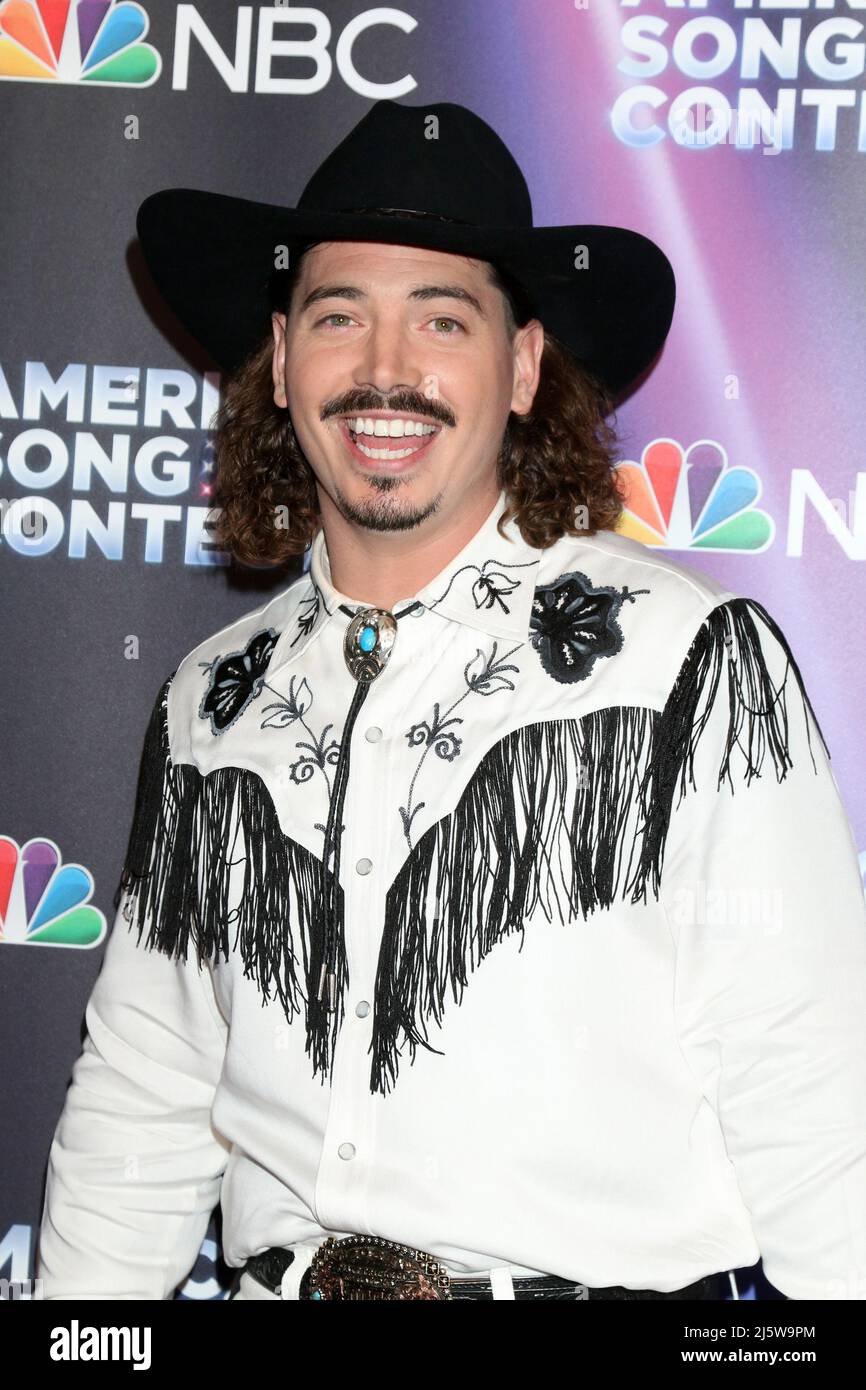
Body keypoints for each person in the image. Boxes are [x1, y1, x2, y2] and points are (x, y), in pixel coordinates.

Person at [37, 100, 866, 1303]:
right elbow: (143, 1105)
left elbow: (812, 1091)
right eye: (338, 316)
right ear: (281, 357)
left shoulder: (689, 664)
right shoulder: (209, 705)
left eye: (441, 318)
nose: (384, 371)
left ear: (522, 367)